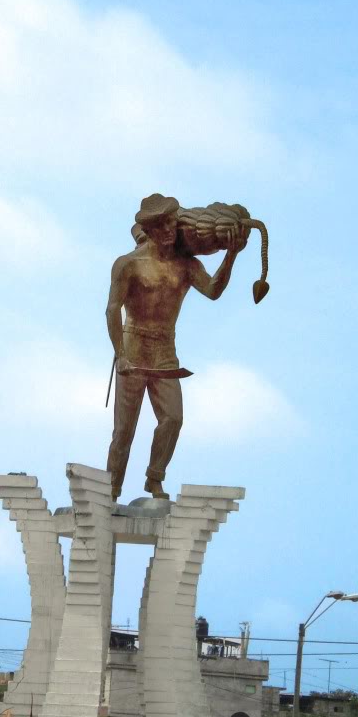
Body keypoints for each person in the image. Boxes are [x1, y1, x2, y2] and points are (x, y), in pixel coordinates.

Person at [105, 193, 246, 501]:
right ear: (151, 230)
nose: (170, 228)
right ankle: (111, 489)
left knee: (173, 419)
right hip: (133, 347)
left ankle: (154, 478)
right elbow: (112, 309)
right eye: (162, 224)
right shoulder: (128, 264)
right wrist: (121, 354)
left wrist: (231, 256)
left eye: (172, 221)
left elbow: (212, 291)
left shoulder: (186, 265)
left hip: (165, 351)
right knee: (123, 431)